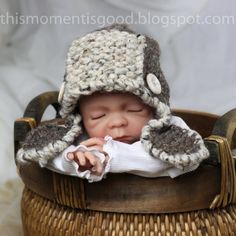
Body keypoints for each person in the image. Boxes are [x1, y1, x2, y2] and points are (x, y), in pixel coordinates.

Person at [16, 24, 209, 182]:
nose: (117, 122)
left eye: (134, 109)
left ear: (154, 106)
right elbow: (45, 158)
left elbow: (179, 162)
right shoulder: (80, 137)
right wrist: (74, 159)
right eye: (98, 116)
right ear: (80, 116)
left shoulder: (172, 132)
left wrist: (111, 155)